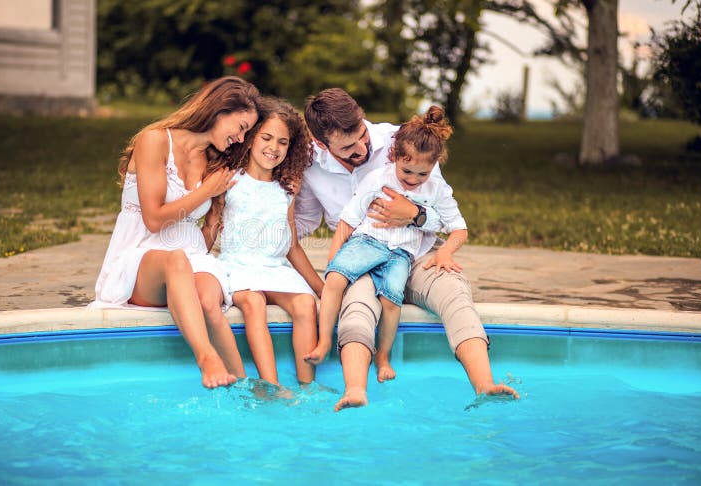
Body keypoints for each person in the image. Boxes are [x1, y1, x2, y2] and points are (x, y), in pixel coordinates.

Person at [295, 88, 519, 411]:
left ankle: (485, 384)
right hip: (363, 256)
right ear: (321, 144)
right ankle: (355, 390)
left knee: (453, 291)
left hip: (417, 251)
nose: (361, 148)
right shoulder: (312, 167)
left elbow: (443, 214)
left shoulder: (405, 142)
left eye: (361, 136)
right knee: (357, 307)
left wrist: (414, 215)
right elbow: (304, 221)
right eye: (347, 147)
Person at [89, 76, 260, 389]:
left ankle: (247, 387)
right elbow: (154, 219)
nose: (241, 136)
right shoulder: (154, 140)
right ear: (220, 110)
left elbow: (199, 238)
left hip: (191, 256)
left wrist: (215, 217)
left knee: (209, 299)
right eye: (241, 126)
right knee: (176, 260)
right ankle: (206, 357)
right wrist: (206, 190)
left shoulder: (213, 159)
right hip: (142, 258)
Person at [304, 106, 463, 386]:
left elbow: (452, 224)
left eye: (421, 174)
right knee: (336, 280)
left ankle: (384, 357)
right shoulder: (377, 178)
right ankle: (323, 342)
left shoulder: (416, 152)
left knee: (391, 300)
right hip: (366, 242)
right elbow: (347, 219)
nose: (413, 179)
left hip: (402, 252)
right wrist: (333, 261)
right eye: (407, 171)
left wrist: (417, 215)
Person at [204, 96, 323, 387]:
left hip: (275, 268)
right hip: (239, 268)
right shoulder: (230, 180)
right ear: (251, 138)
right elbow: (210, 227)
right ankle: (271, 386)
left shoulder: (286, 189)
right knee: (254, 303)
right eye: (266, 138)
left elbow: (292, 245)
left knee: (306, 304)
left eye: (283, 142)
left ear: (291, 147)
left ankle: (308, 387)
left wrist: (323, 290)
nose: (274, 148)